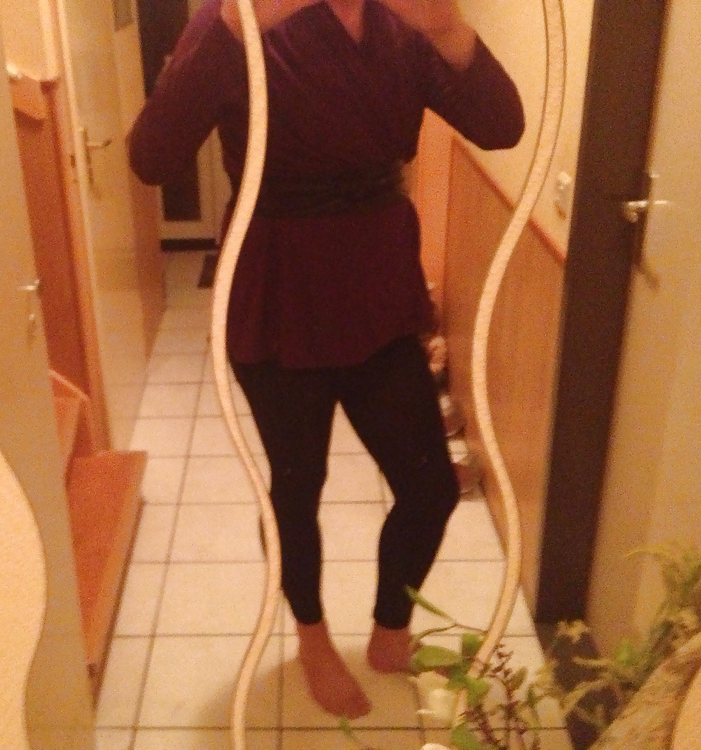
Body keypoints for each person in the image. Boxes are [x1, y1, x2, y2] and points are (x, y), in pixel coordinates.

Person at [128, 0, 524, 719]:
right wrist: (232, 29)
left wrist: (450, 32)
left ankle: (390, 633)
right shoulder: (236, 15)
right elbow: (151, 158)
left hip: (378, 286)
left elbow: (502, 128)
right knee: (297, 483)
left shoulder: (402, 19)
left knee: (430, 486)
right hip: (278, 288)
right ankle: (311, 637)